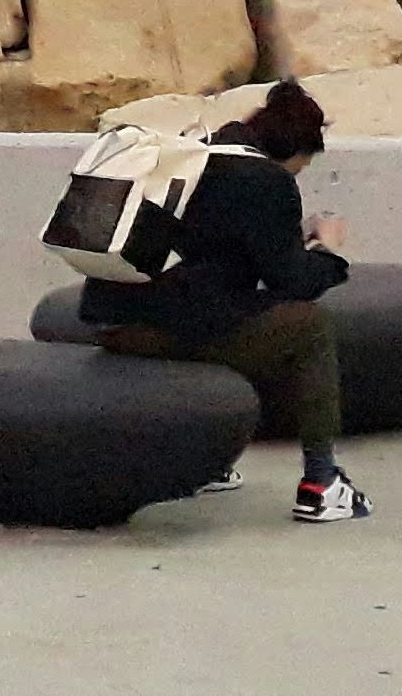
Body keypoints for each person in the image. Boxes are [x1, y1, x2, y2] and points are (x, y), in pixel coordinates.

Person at [82, 80, 368, 521]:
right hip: (164, 328)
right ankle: (322, 483)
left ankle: (208, 463)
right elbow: (293, 282)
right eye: (303, 165)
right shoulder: (266, 181)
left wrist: (287, 239)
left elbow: (214, 246)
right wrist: (329, 250)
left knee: (237, 318)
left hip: (113, 318)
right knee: (307, 328)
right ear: (296, 151)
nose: (298, 174)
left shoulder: (196, 154)